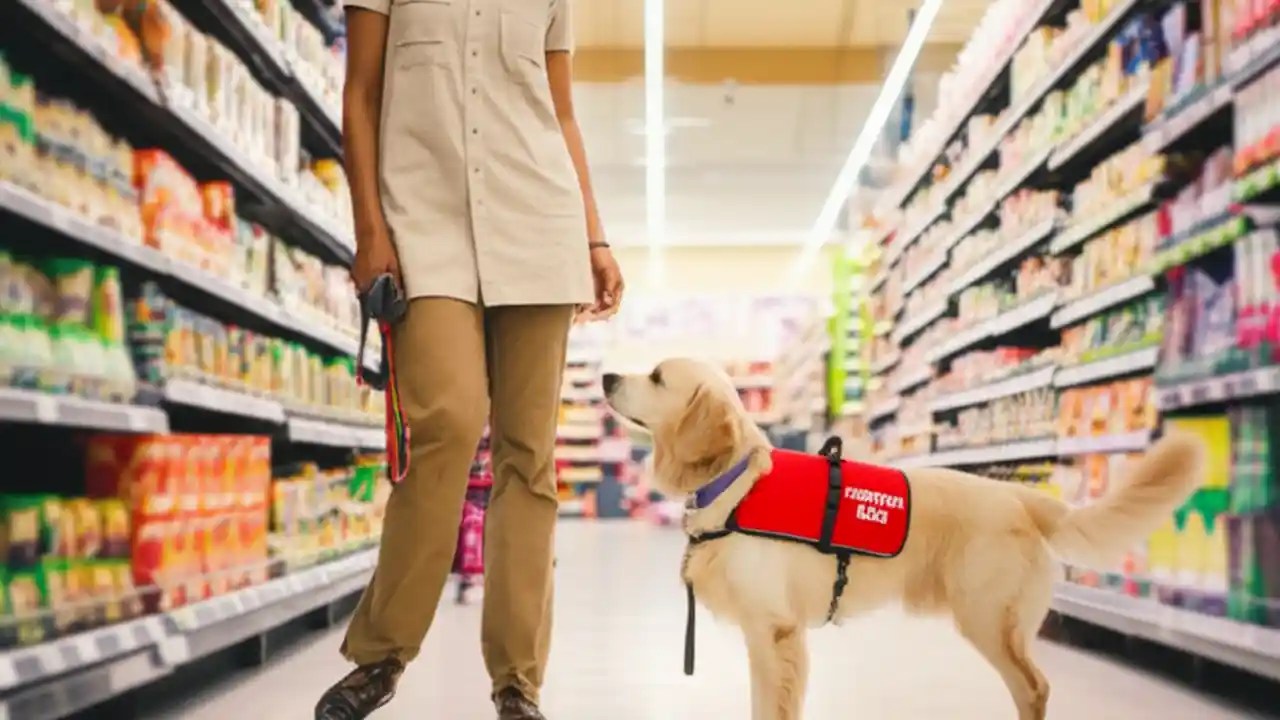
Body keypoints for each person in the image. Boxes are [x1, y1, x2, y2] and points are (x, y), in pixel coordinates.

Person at [316, 1, 623, 718]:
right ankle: (382, 653)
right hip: (426, 226)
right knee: (447, 423)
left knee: (528, 456)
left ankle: (518, 682)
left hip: (537, 225)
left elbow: (562, 115)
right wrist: (368, 232)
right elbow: (359, 94)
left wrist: (594, 237)